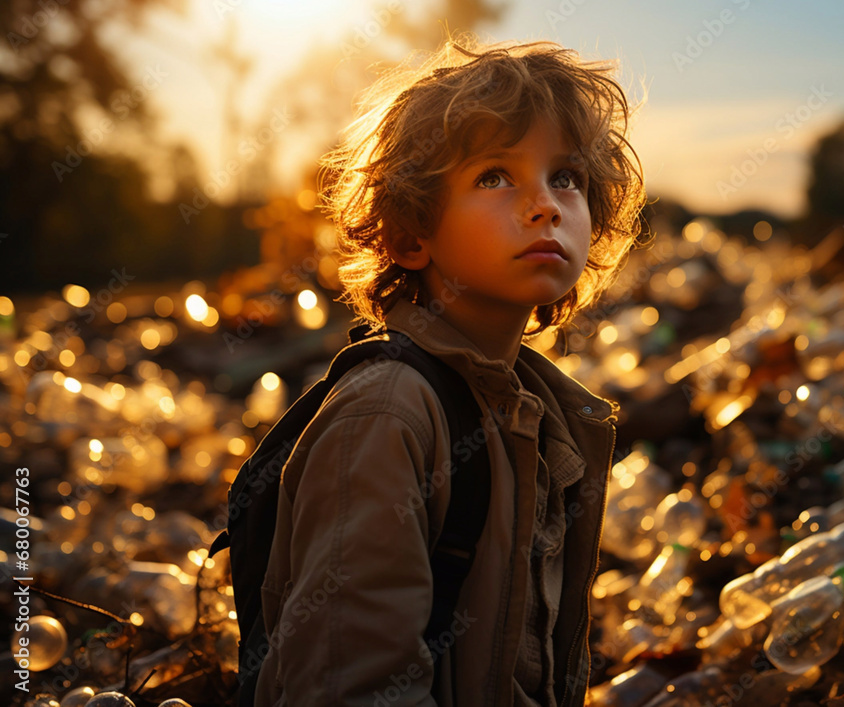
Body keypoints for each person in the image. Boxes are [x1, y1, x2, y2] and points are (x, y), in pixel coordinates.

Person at [253, 34, 646, 706]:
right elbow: (353, 684)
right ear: (410, 234)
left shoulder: (534, 411)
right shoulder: (386, 416)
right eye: (495, 176)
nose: (545, 204)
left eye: (567, 177)